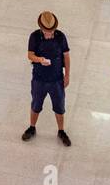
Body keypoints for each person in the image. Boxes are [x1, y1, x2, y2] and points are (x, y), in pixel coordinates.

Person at [21, 11, 72, 147]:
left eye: (51, 30)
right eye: (46, 30)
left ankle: (61, 131)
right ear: (41, 28)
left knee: (59, 107)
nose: (49, 33)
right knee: (36, 104)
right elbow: (30, 55)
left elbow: (66, 56)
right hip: (39, 79)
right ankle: (32, 127)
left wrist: (67, 75)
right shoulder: (34, 37)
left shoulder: (61, 37)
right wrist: (40, 60)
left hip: (56, 80)